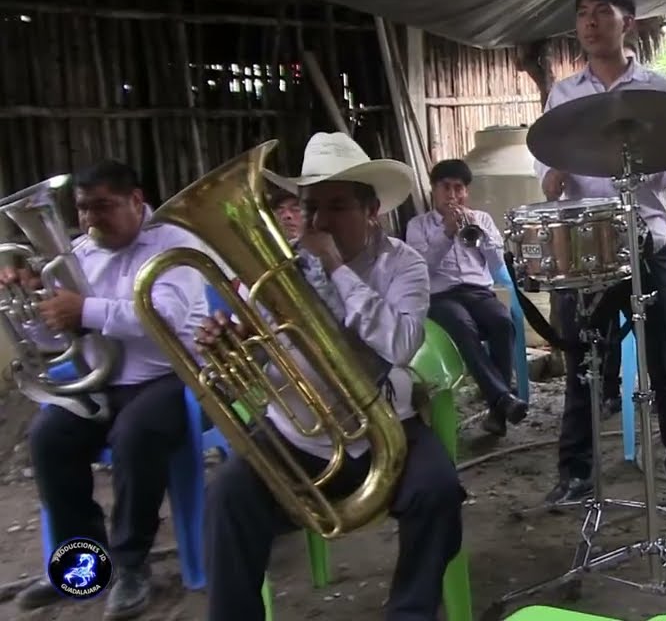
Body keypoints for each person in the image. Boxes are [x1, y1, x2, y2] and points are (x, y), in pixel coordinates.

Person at [200, 132, 464, 621]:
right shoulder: (276, 266)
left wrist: (337, 269)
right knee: (226, 498)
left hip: (385, 426)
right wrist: (229, 349)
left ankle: (410, 613)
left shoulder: (403, 263)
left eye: (336, 206)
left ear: (372, 212)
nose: (319, 221)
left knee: (439, 493)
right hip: (297, 434)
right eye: (311, 206)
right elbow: (257, 352)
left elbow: (402, 345)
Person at [4, 161, 209, 618]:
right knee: (48, 437)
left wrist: (85, 309)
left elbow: (166, 317)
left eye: (103, 206)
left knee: (136, 436)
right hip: (103, 385)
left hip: (172, 379)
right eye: (82, 209)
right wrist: (34, 311)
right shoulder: (77, 255)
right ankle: (84, 563)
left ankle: (132, 564)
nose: (91, 219)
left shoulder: (177, 244)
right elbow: (57, 340)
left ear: (136, 201)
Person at [537, 0, 666, 512]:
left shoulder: (659, 89)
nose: (589, 22)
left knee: (665, 362)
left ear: (626, 22)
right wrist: (558, 171)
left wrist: (653, 167)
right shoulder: (564, 95)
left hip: (648, 241)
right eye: (582, 13)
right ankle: (575, 473)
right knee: (583, 367)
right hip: (587, 247)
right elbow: (547, 178)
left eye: (601, 12)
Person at [405, 158, 528, 437]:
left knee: (501, 321)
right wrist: (446, 233)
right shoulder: (418, 226)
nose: (452, 195)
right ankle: (502, 397)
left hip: (479, 292)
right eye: (445, 188)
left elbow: (497, 265)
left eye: (458, 188)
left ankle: (498, 410)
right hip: (440, 296)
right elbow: (421, 269)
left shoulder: (481, 219)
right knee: (462, 325)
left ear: (466, 192)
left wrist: (481, 235)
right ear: (433, 190)